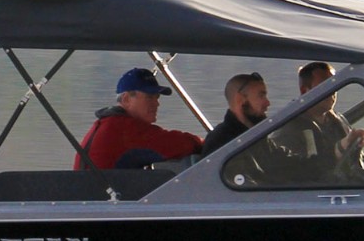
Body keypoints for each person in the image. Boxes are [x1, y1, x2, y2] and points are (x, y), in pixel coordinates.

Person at [75, 67, 204, 169]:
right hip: (106, 200)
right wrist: (206, 142)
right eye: (149, 97)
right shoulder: (124, 129)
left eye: (157, 97)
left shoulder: (107, 123)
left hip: (96, 198)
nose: (157, 103)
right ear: (126, 99)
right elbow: (179, 145)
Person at [295, 60, 364, 179]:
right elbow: (304, 172)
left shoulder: (337, 120)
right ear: (305, 91)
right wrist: (341, 147)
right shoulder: (291, 128)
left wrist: (358, 145)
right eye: (325, 85)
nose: (333, 91)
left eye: (334, 85)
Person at [199, 71, 268, 157]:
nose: (267, 103)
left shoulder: (257, 134)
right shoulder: (222, 141)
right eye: (261, 96)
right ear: (240, 99)